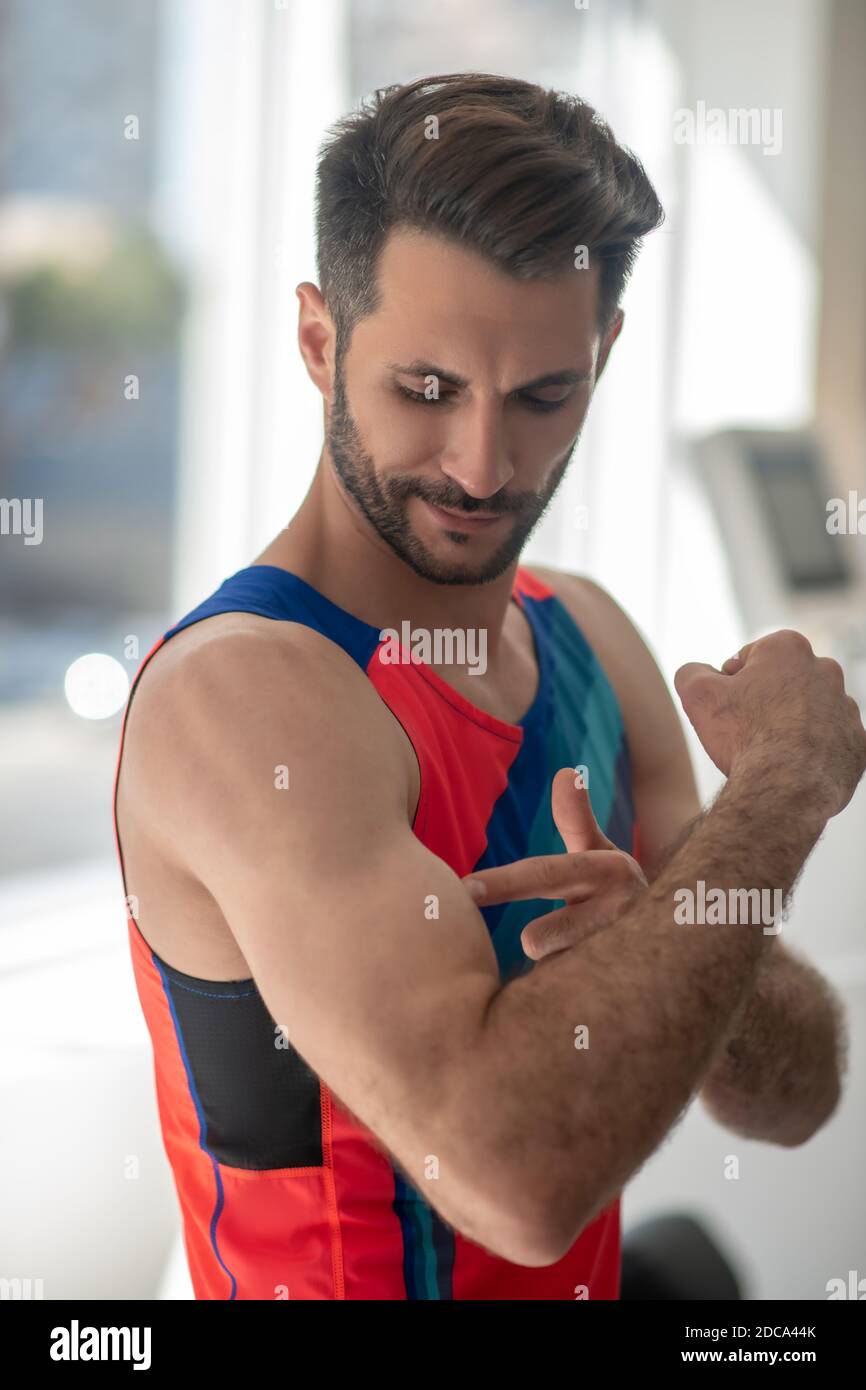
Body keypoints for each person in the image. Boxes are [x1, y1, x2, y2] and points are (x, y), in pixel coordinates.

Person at [112, 72, 866, 1300]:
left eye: (540, 397)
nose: (480, 463)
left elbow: (795, 1095)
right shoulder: (247, 696)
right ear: (318, 340)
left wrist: (660, 937)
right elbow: (510, 1183)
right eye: (426, 390)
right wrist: (778, 792)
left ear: (602, 355)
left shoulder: (588, 638)